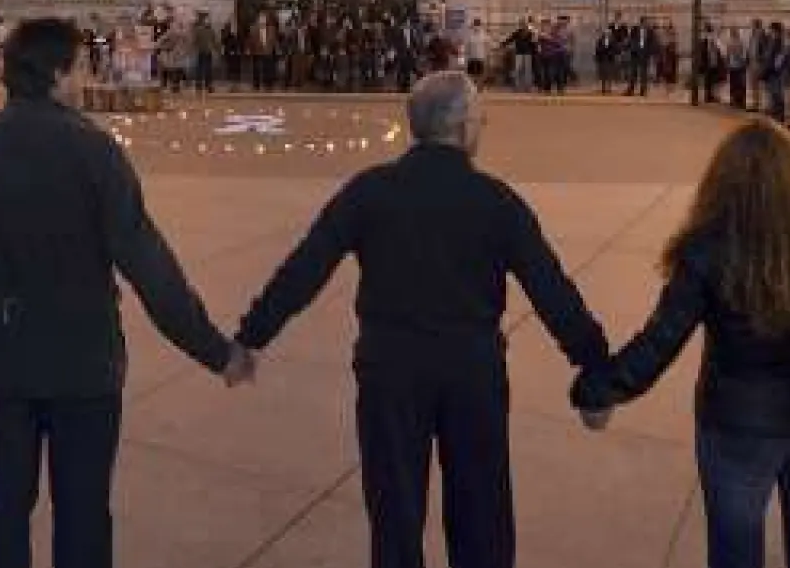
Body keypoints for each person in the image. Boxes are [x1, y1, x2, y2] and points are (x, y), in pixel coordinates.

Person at [233, 72, 611, 568]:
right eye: (479, 117)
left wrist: (252, 336)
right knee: (482, 517)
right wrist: (595, 369)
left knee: (395, 516)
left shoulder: (370, 191)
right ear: (460, 127)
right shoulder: (496, 201)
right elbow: (551, 289)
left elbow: (306, 266)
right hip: (471, 370)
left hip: (390, 369)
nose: (482, 126)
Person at [0, 18, 251, 568]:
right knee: (83, 512)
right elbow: (150, 267)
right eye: (80, 66)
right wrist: (216, 350)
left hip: (1, 358)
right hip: (84, 362)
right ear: (58, 73)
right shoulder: (94, 151)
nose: (85, 78)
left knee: (3, 507)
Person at [572, 119, 790, 568]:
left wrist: (601, 387)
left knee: (734, 552)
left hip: (737, 423)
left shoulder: (707, 248)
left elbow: (660, 340)